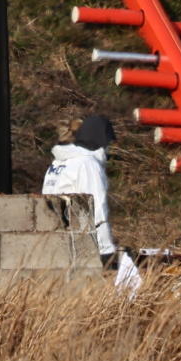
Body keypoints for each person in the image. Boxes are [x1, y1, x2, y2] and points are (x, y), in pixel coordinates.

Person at [38, 113, 117, 264]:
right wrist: (106, 249)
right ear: (101, 140)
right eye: (108, 144)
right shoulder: (88, 164)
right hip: (87, 247)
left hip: (56, 242)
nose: (109, 149)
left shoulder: (58, 163)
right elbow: (97, 210)